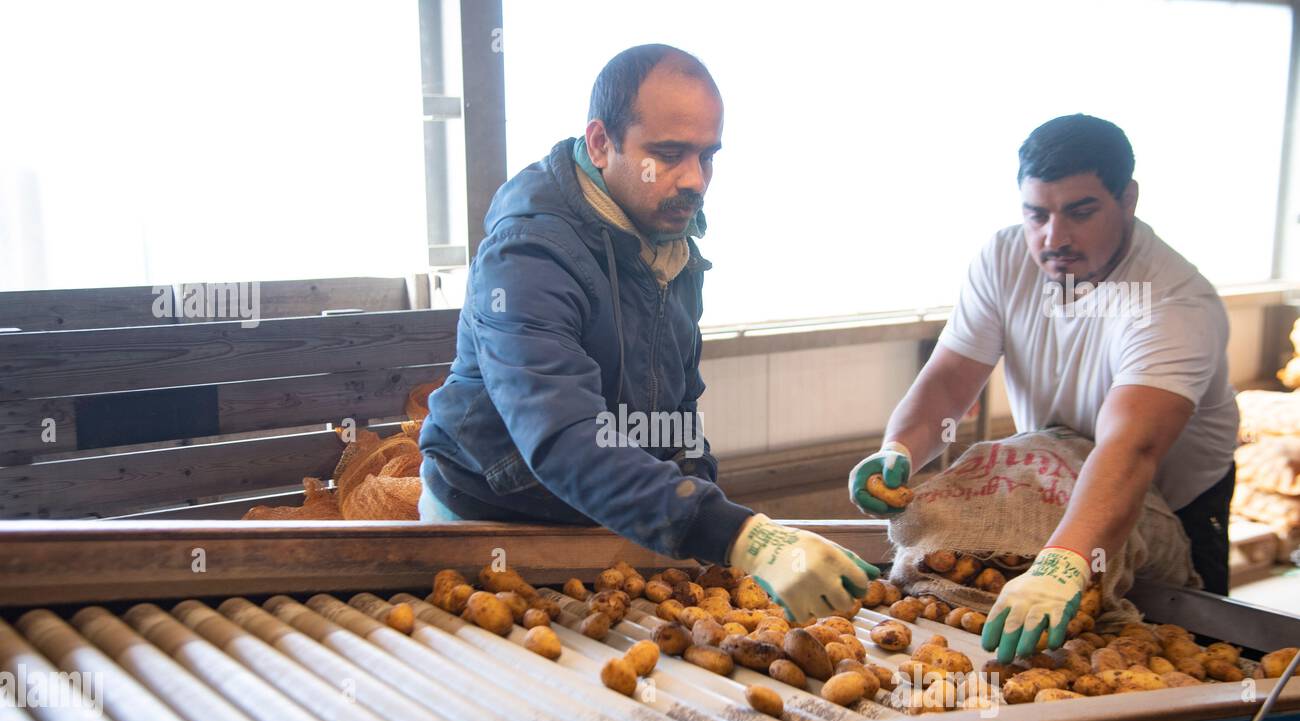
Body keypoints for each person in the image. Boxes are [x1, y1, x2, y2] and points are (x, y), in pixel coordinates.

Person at [419, 44, 876, 622]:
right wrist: (736, 534)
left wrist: (706, 515)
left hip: (610, 521)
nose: (695, 180)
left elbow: (677, 409)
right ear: (601, 142)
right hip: (493, 524)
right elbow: (564, 435)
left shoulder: (671, 248)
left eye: (708, 156)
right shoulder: (528, 255)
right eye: (667, 154)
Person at [850, 114, 1238, 662]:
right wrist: (900, 449)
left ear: (1127, 200)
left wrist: (1065, 562)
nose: (1055, 239)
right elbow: (950, 381)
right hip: (1064, 480)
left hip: (1170, 502)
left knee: (1187, 656)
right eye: (1037, 214)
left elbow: (1131, 448)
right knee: (1062, 651)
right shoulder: (1006, 259)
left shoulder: (1172, 304)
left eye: (1081, 212)